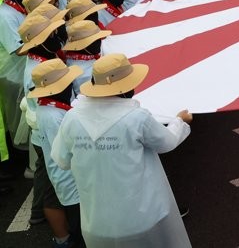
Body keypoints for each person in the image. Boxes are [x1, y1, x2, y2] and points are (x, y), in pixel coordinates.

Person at [52, 53, 194, 247]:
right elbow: (167, 142)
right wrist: (179, 121)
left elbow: (61, 160)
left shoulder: (72, 117)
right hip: (143, 218)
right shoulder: (136, 118)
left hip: (97, 224)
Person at [27, 59, 84, 248]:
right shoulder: (53, 115)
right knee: (79, 224)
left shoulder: (49, 107)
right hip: (69, 179)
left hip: (66, 176)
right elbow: (68, 150)